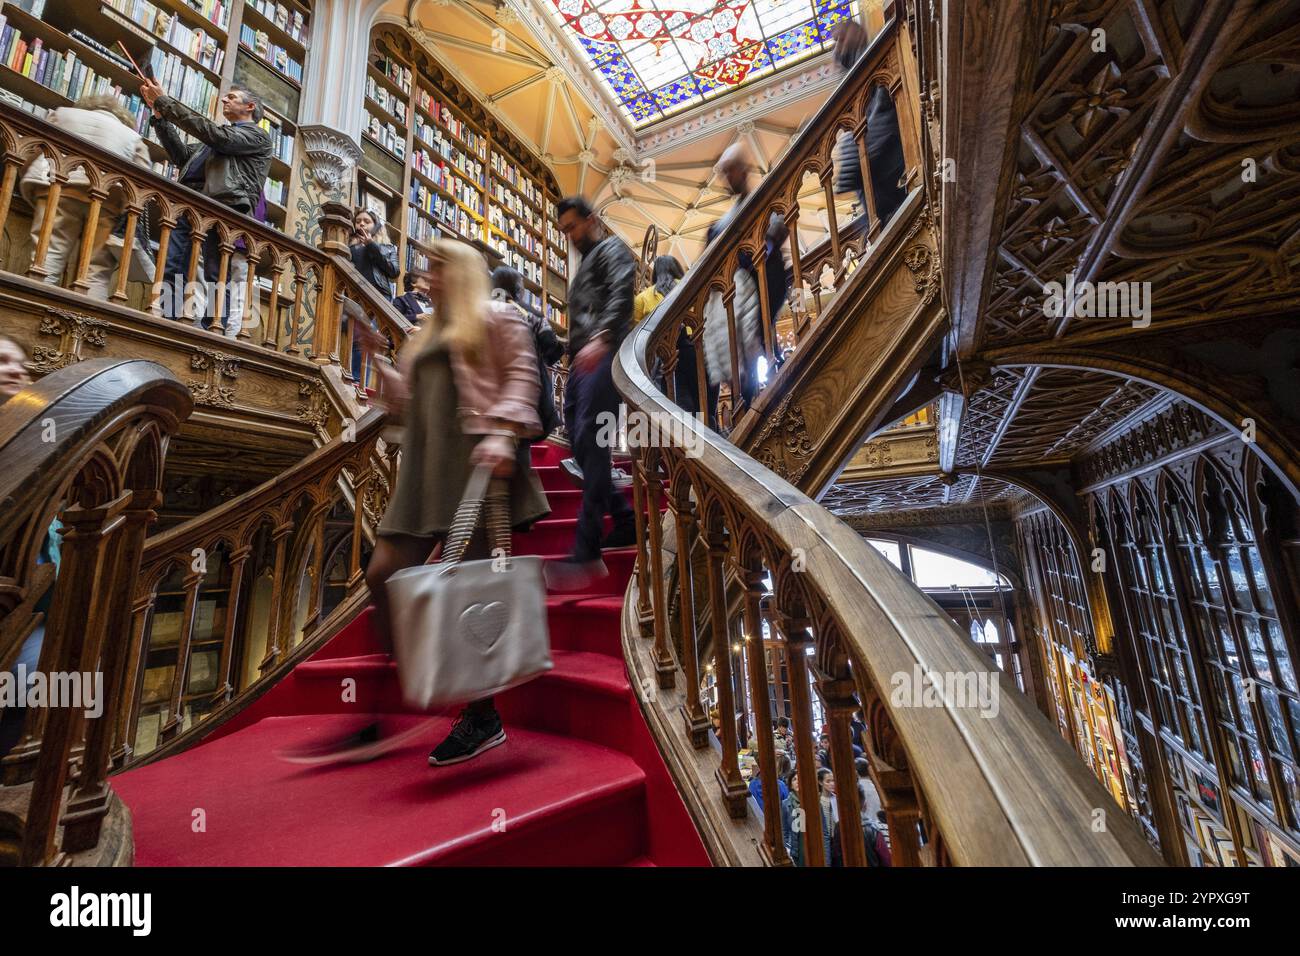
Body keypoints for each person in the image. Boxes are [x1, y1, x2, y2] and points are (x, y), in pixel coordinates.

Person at [281, 240, 549, 767]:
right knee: (382, 574)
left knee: (471, 593)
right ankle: (379, 710)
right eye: (428, 268)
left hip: (472, 466)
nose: (428, 276)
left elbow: (523, 376)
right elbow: (403, 400)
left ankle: (482, 715)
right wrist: (376, 355)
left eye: (439, 267)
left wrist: (504, 433)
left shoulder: (495, 316)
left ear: (464, 272)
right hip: (423, 472)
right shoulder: (424, 328)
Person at [551, 196, 638, 585]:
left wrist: (603, 337)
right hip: (583, 361)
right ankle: (624, 517)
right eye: (564, 230)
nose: (569, 236)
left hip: (605, 356)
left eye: (573, 227)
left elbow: (623, 292)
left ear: (591, 219)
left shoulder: (612, 249)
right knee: (580, 442)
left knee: (592, 437)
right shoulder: (585, 264)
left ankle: (586, 550)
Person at [138, 79, 272, 328]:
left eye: (231, 97)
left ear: (250, 106)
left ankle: (214, 329)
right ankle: (168, 321)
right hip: (188, 203)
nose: (224, 99)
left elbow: (219, 138)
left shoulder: (256, 136)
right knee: (172, 263)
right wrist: (160, 118)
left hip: (224, 207)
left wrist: (166, 102)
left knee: (215, 272)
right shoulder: (216, 140)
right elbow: (181, 155)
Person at [20, 96, 152, 293]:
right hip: (106, 202)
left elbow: (31, 150)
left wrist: (28, 179)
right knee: (97, 271)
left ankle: (30, 313)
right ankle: (88, 322)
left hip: (58, 189)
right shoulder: (132, 137)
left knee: (47, 257)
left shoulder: (62, 114)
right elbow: (143, 182)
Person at [701, 144, 789, 425]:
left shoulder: (764, 201)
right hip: (736, 292)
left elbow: (776, 231)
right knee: (742, 348)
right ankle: (744, 410)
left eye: (730, 171)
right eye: (723, 173)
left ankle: (760, 407)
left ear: (744, 169)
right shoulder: (724, 220)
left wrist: (758, 249)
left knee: (759, 344)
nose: (727, 178)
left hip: (762, 286)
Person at [831, 19, 907, 233]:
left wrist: (854, 155)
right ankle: (882, 220)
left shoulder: (872, 60)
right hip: (875, 153)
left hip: (892, 142)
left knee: (860, 165)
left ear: (857, 34)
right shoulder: (851, 76)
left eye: (841, 39)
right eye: (836, 42)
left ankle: (885, 219)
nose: (837, 48)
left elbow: (883, 109)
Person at [491, 266, 564, 441]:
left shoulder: (482, 309)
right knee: (520, 451)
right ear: (517, 289)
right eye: (522, 286)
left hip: (489, 396)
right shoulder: (531, 314)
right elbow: (551, 349)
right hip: (522, 395)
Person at [345, 208, 399, 382]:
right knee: (355, 340)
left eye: (366, 221)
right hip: (355, 298)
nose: (361, 223)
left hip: (377, 300)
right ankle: (354, 381)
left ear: (376, 227)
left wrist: (371, 246)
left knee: (365, 341)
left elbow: (394, 272)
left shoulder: (387, 247)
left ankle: (358, 383)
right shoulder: (349, 246)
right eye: (358, 220)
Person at [632, 254, 684, 326]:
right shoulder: (686, 286)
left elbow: (633, 329)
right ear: (677, 269)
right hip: (692, 334)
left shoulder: (642, 297)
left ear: (655, 272)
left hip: (656, 335)